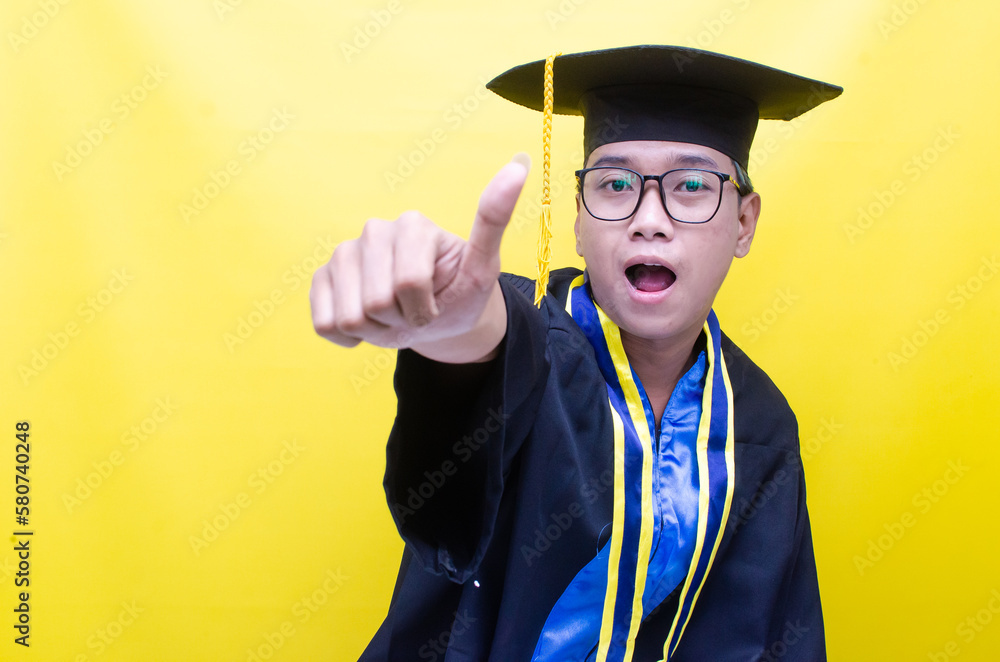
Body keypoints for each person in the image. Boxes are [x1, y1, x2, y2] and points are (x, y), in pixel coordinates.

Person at [311, 45, 841, 661]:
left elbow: (770, 638)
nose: (649, 219)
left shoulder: (760, 424)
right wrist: (452, 328)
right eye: (614, 184)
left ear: (744, 222)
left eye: (693, 185)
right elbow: (486, 347)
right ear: (578, 222)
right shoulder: (530, 346)